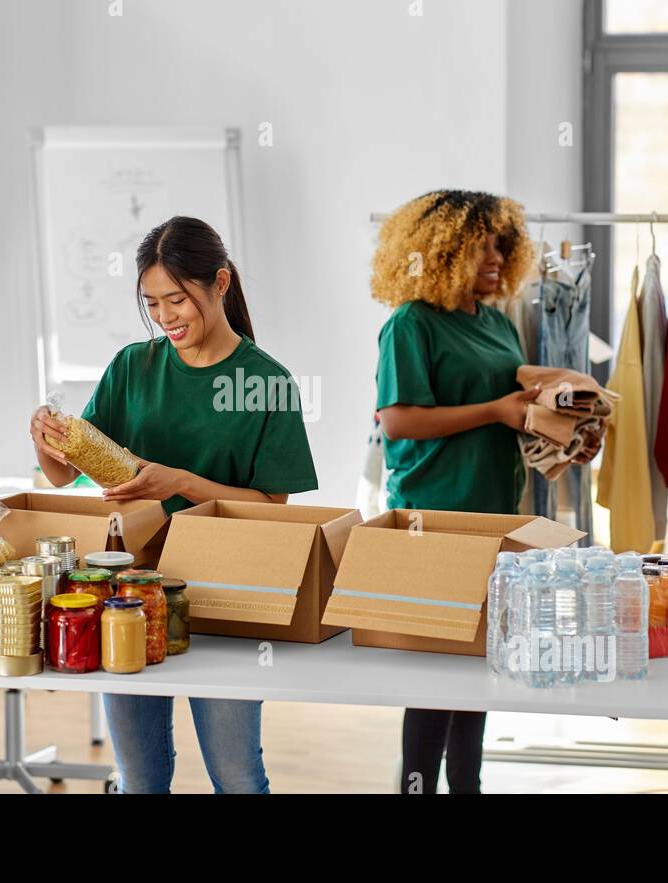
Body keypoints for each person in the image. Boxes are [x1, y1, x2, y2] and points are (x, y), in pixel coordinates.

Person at [30, 216, 317, 793]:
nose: (166, 317)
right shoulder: (133, 367)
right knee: (140, 776)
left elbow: (270, 507)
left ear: (221, 283)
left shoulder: (266, 382)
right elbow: (65, 475)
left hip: (224, 597)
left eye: (178, 300)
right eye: (153, 303)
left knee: (236, 775)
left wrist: (183, 482)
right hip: (126, 593)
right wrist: (43, 438)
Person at [372, 190, 598, 794]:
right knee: (434, 673)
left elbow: (513, 419)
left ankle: (467, 787)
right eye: (480, 247)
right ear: (442, 251)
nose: (496, 258)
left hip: (496, 517)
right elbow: (397, 420)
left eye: (502, 245)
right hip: (435, 520)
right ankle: (418, 786)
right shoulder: (410, 323)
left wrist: (567, 439)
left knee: (478, 666)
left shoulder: (495, 322)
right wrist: (495, 410)